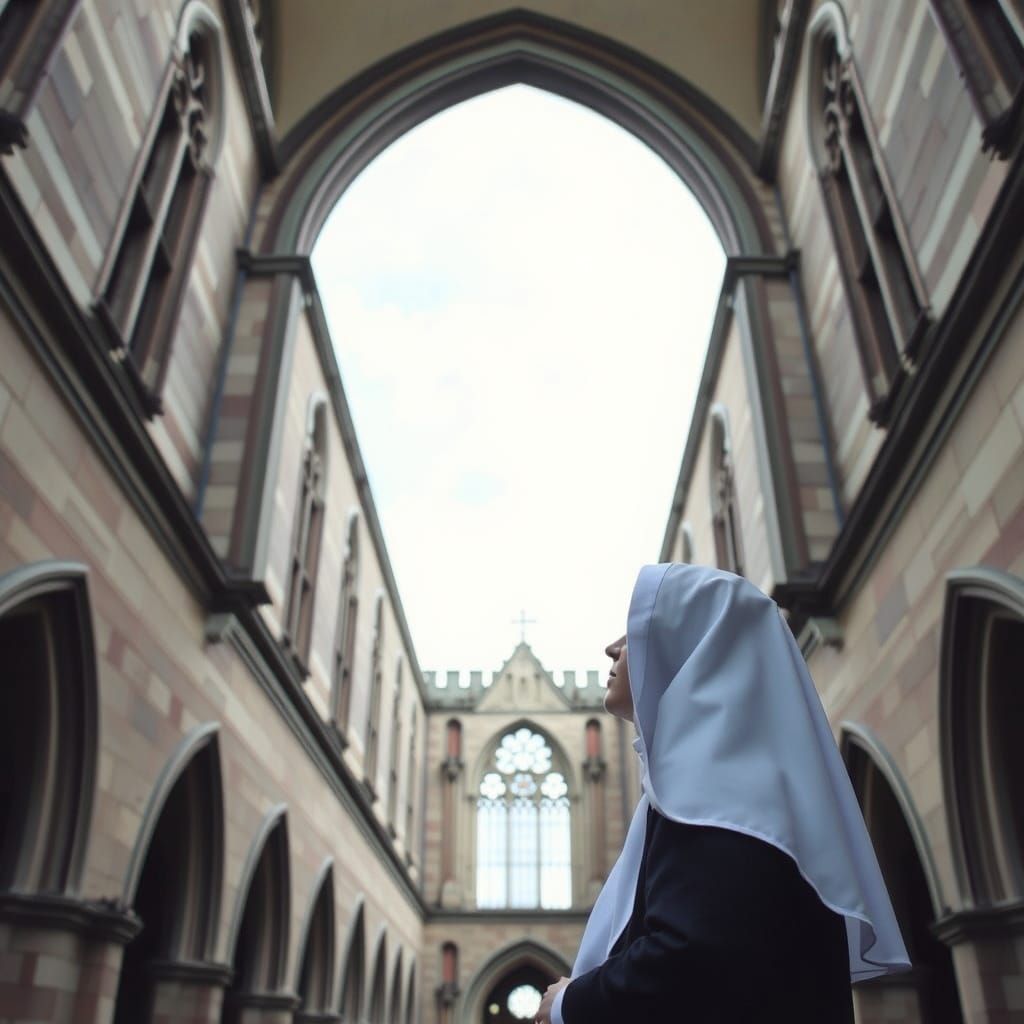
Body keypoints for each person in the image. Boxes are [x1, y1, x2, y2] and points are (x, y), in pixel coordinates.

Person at [535, 563, 909, 1024]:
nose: (612, 648)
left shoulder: (719, 788)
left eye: (634, 634)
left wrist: (572, 1002)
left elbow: (693, 958)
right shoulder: (738, 781)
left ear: (694, 651)